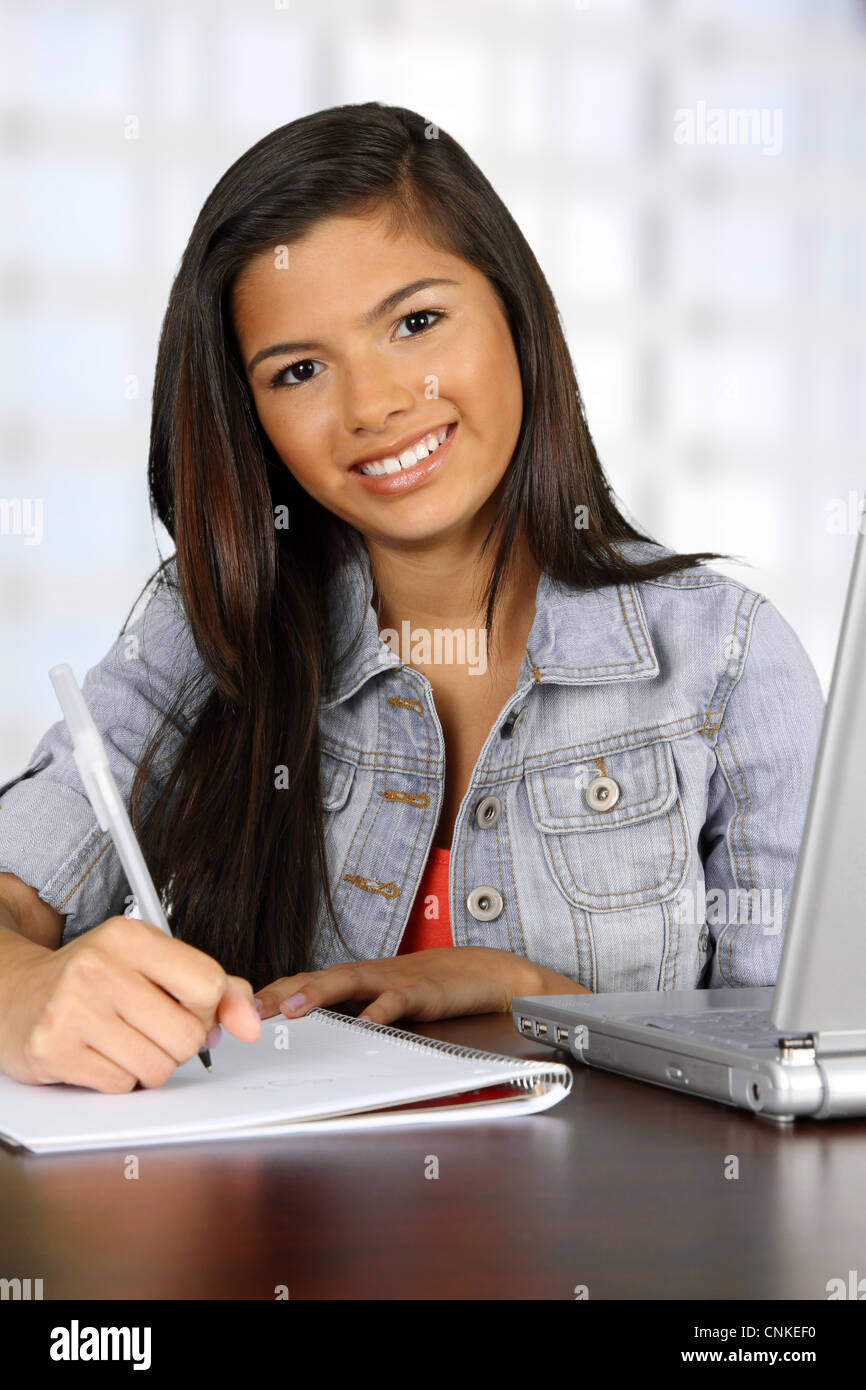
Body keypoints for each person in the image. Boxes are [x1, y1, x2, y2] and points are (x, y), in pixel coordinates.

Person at [0, 103, 825, 1093]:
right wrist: (20, 993)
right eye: (299, 370)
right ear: (249, 415)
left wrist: (535, 997)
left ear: (515, 311)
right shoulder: (209, 624)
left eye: (415, 321)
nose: (372, 405)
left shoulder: (725, 660)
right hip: (274, 1241)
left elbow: (801, 1079)